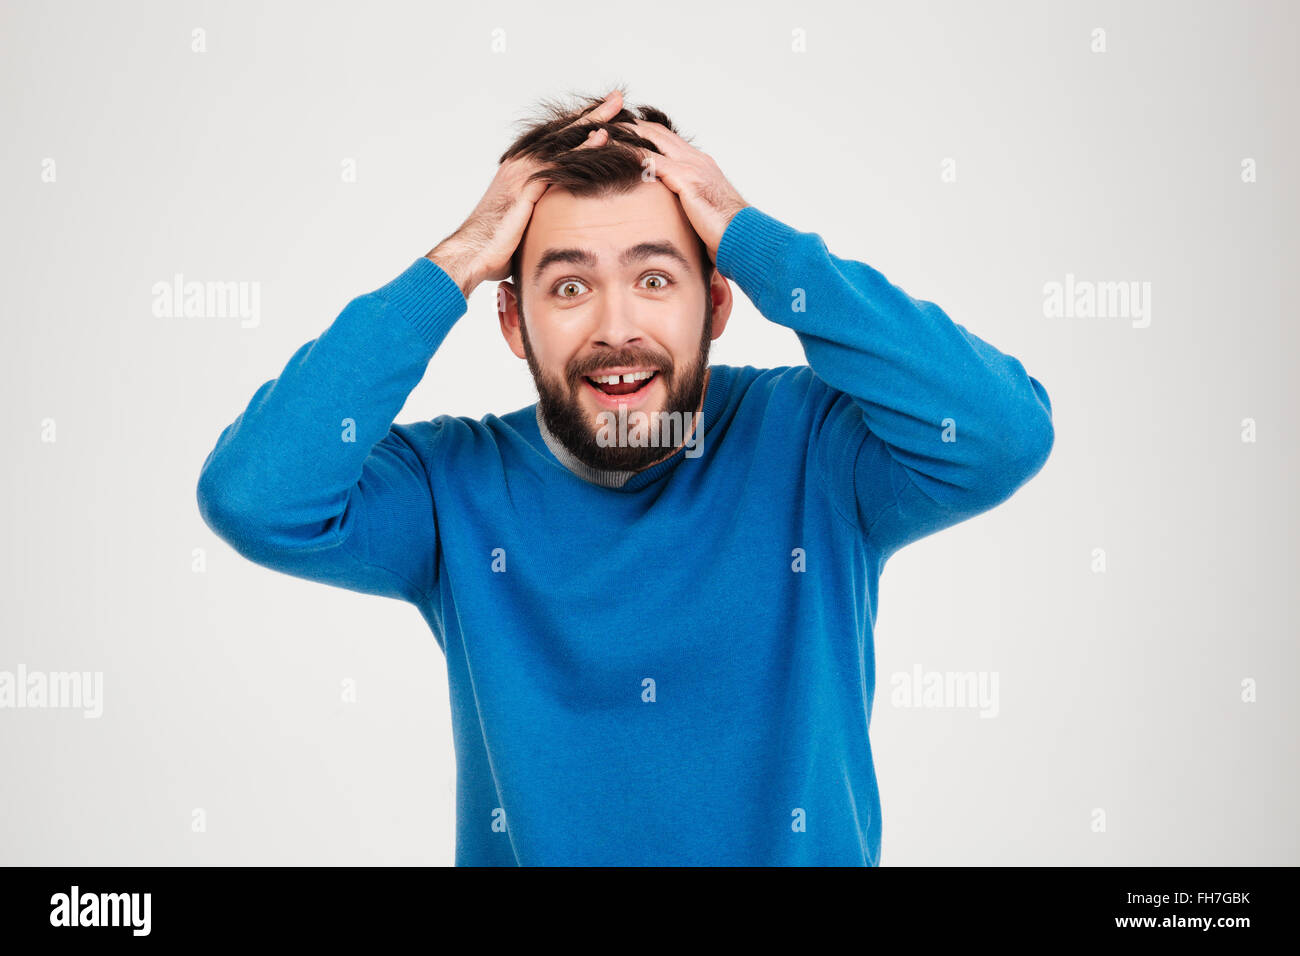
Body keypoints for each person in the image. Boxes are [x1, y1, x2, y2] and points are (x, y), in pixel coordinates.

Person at [196, 86, 1055, 866]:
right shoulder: (449, 487)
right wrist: (454, 261)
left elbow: (1001, 433)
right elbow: (254, 497)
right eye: (568, 287)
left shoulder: (817, 447)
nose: (617, 327)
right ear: (513, 322)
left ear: (717, 302)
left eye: (654, 278)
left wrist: (755, 239)